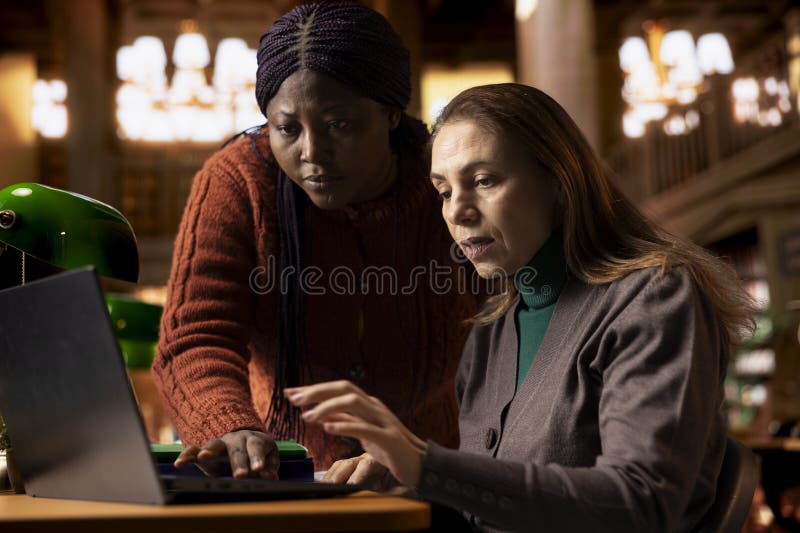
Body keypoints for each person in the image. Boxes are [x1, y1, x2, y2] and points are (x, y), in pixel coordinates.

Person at [285, 83, 759, 532]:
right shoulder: (491, 327)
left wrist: (430, 467)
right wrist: (410, 481)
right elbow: (499, 502)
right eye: (444, 191)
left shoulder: (654, 297)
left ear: (560, 182)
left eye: (484, 180)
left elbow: (640, 505)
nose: (456, 211)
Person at [152, 2, 477, 479]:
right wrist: (231, 425)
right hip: (283, 482)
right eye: (287, 129)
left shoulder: (448, 182)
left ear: (391, 113)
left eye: (338, 124)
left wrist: (442, 465)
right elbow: (195, 339)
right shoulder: (239, 182)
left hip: (436, 481)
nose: (312, 153)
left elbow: (513, 327)